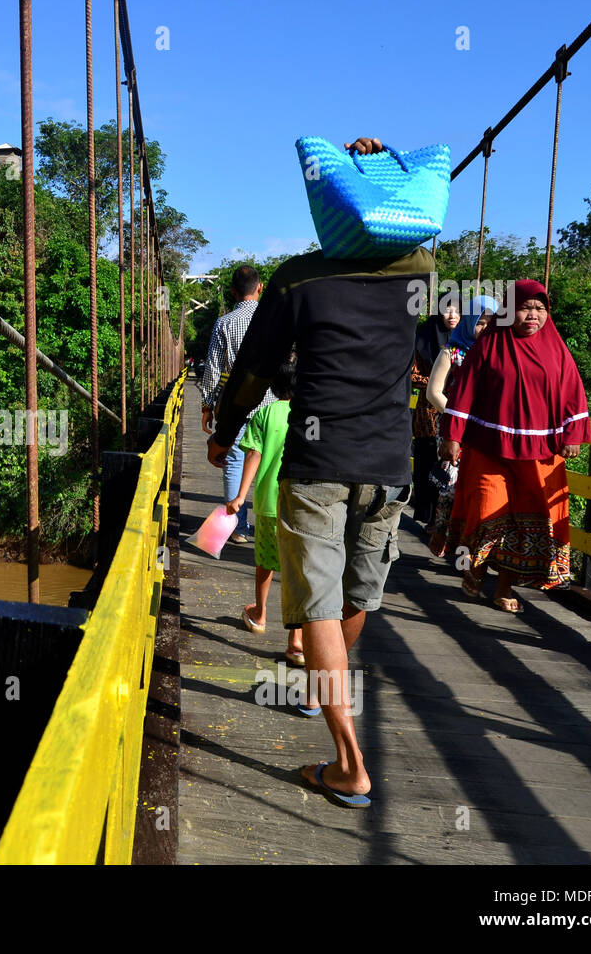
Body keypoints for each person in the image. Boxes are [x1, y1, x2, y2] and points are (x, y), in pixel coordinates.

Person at [208, 136, 432, 807]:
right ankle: (324, 692)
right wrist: (385, 160)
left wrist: (223, 434)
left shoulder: (297, 279)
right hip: (391, 468)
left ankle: (349, 764)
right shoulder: (419, 275)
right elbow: (416, 240)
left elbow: (252, 372)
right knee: (355, 602)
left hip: (318, 468)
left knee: (325, 611)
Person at [440, 280, 589, 612]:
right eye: (526, 307)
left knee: (525, 519)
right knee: (484, 509)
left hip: (540, 452)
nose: (533, 315)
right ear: (508, 311)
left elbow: (573, 393)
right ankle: (474, 568)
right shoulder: (488, 345)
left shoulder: (556, 350)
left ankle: (504, 588)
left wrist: (574, 434)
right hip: (487, 446)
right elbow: (464, 390)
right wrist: (452, 435)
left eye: (540, 309)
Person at [226, 357, 302, 667]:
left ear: (273, 385)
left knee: (265, 562)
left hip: (269, 504)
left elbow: (254, 455)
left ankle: (259, 614)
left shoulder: (265, 413)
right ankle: (296, 642)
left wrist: (239, 497)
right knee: (298, 572)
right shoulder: (309, 416)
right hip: (302, 504)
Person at [200, 265, 275, 543]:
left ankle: (237, 528)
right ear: (260, 287)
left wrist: (207, 404)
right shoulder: (275, 322)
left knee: (234, 461)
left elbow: (214, 369)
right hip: (272, 404)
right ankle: (272, 526)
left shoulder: (224, 323)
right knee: (271, 464)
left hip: (238, 406)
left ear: (232, 292)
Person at [424, 296, 496, 557]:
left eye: (491, 323)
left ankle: (471, 546)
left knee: (482, 487)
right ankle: (441, 531)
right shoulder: (452, 352)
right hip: (456, 430)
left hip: (486, 432)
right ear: (469, 323)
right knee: (450, 484)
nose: (485, 329)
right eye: (480, 323)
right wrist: (459, 418)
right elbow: (434, 393)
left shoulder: (499, 355)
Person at [411, 297, 460, 521]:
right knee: (428, 463)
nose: (452, 316)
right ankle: (429, 519)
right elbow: (412, 374)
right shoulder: (424, 338)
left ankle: (444, 522)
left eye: (457, 312)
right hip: (429, 415)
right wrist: (437, 382)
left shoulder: (466, 341)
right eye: (447, 311)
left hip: (456, 413)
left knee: (450, 468)